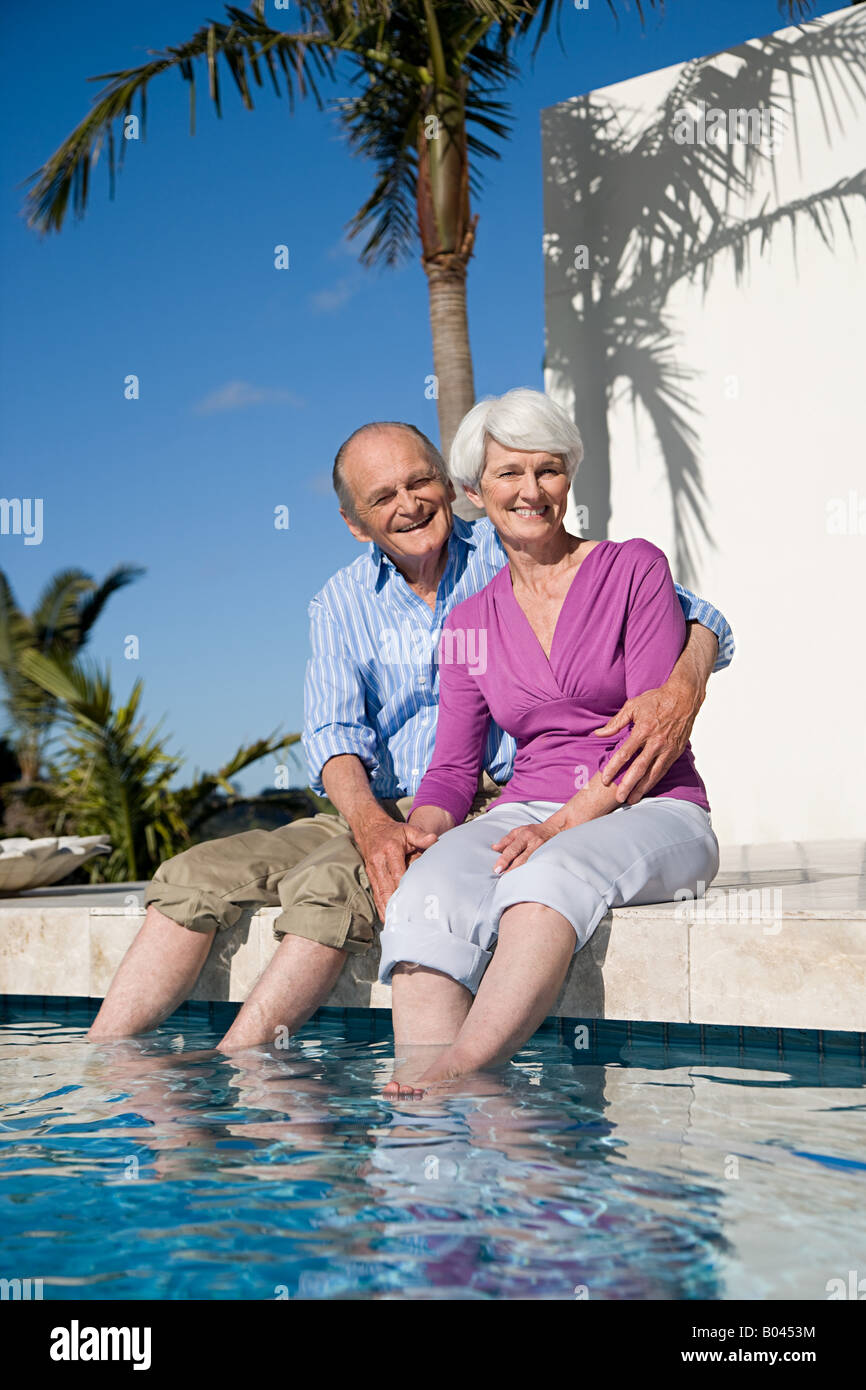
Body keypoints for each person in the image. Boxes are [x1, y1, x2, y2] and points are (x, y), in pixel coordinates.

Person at [87, 413, 732, 1050]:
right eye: (383, 497)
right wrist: (372, 825)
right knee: (192, 874)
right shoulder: (341, 602)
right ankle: (102, 1066)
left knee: (330, 886)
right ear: (353, 521)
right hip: (377, 805)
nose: (409, 505)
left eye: (420, 482)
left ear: (451, 488)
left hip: (488, 797)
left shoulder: (507, 543)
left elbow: (690, 613)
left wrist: (683, 683)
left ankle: (240, 1070)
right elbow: (335, 733)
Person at [378, 389, 721, 1096]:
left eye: (550, 469)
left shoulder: (633, 568)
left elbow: (647, 738)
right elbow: (451, 768)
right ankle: (427, 1131)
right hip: (528, 810)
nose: (532, 490)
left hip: (652, 808)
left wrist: (559, 825)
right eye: (510, 473)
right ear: (474, 490)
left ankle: (461, 1074)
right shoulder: (470, 620)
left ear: (569, 477)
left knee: (542, 878)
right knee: (426, 891)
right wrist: (422, 831)